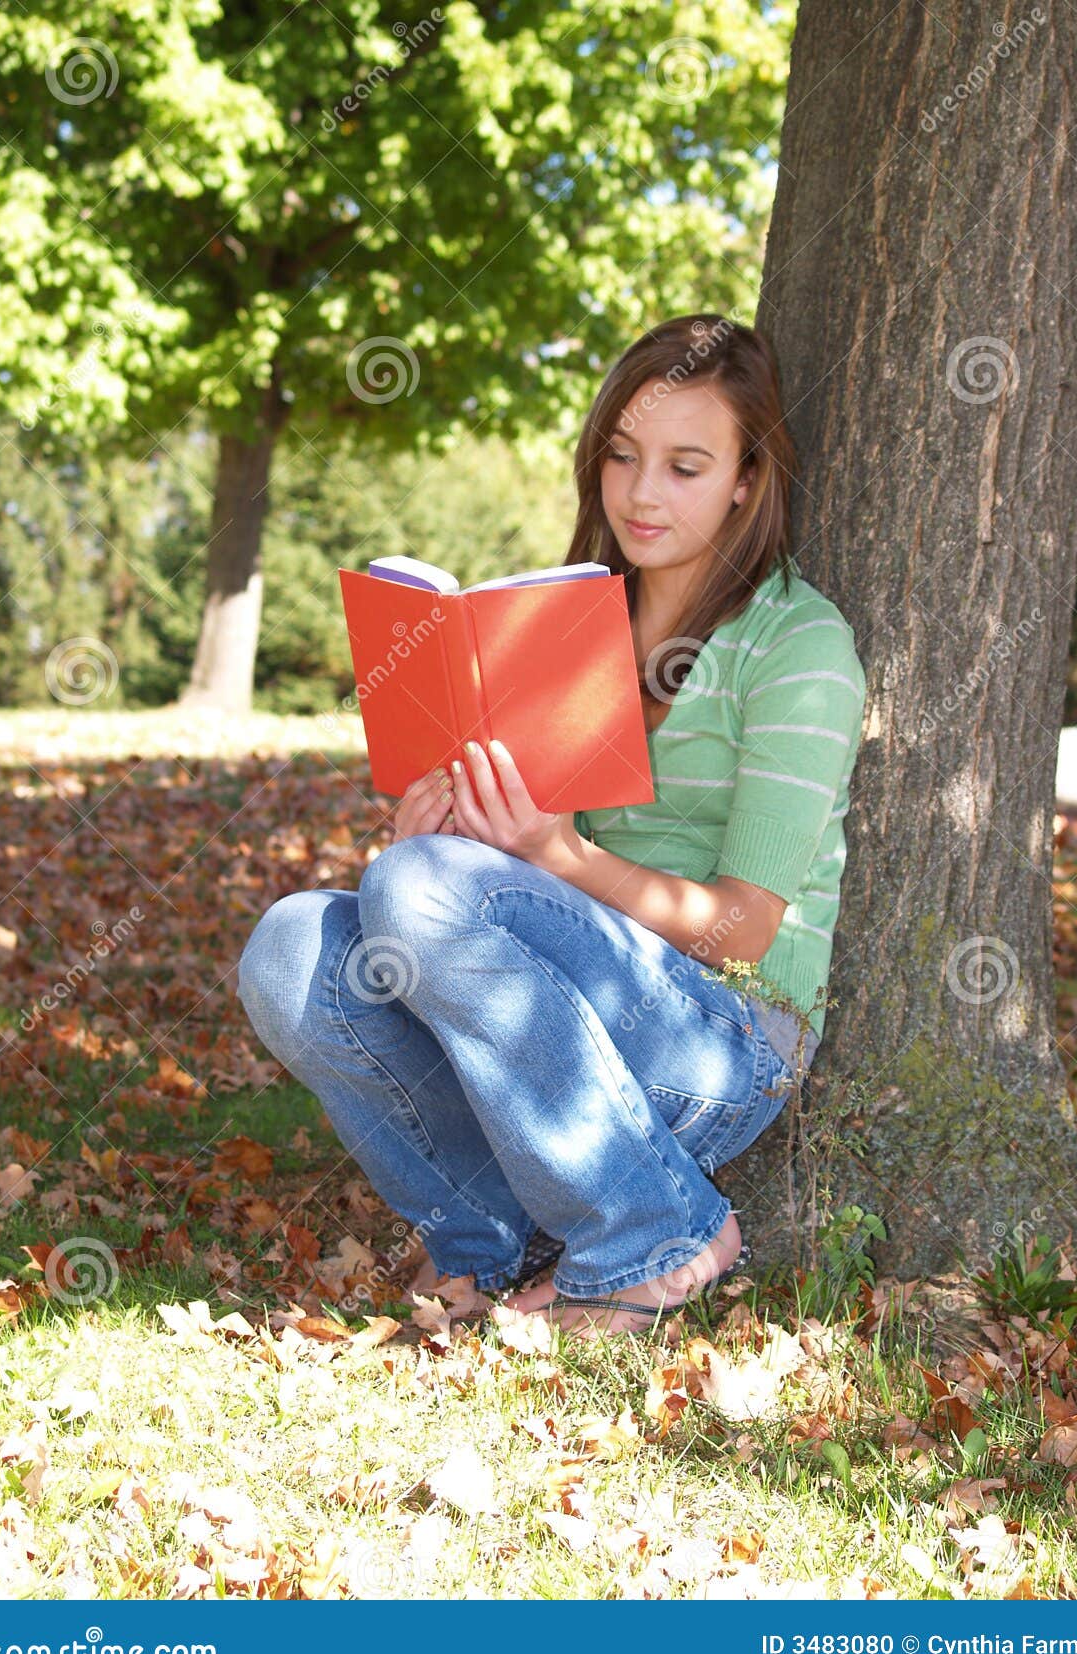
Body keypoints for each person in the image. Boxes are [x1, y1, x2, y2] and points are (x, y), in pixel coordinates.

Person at [236, 314, 866, 1339]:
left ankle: (659, 1233)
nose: (642, 493)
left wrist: (553, 854)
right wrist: (441, 830)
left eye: (685, 467)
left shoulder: (798, 643)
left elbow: (745, 930)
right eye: (621, 456)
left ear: (748, 480)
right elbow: (499, 895)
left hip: (728, 1037)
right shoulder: (570, 628)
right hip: (570, 1017)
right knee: (291, 944)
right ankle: (491, 1241)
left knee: (419, 888)